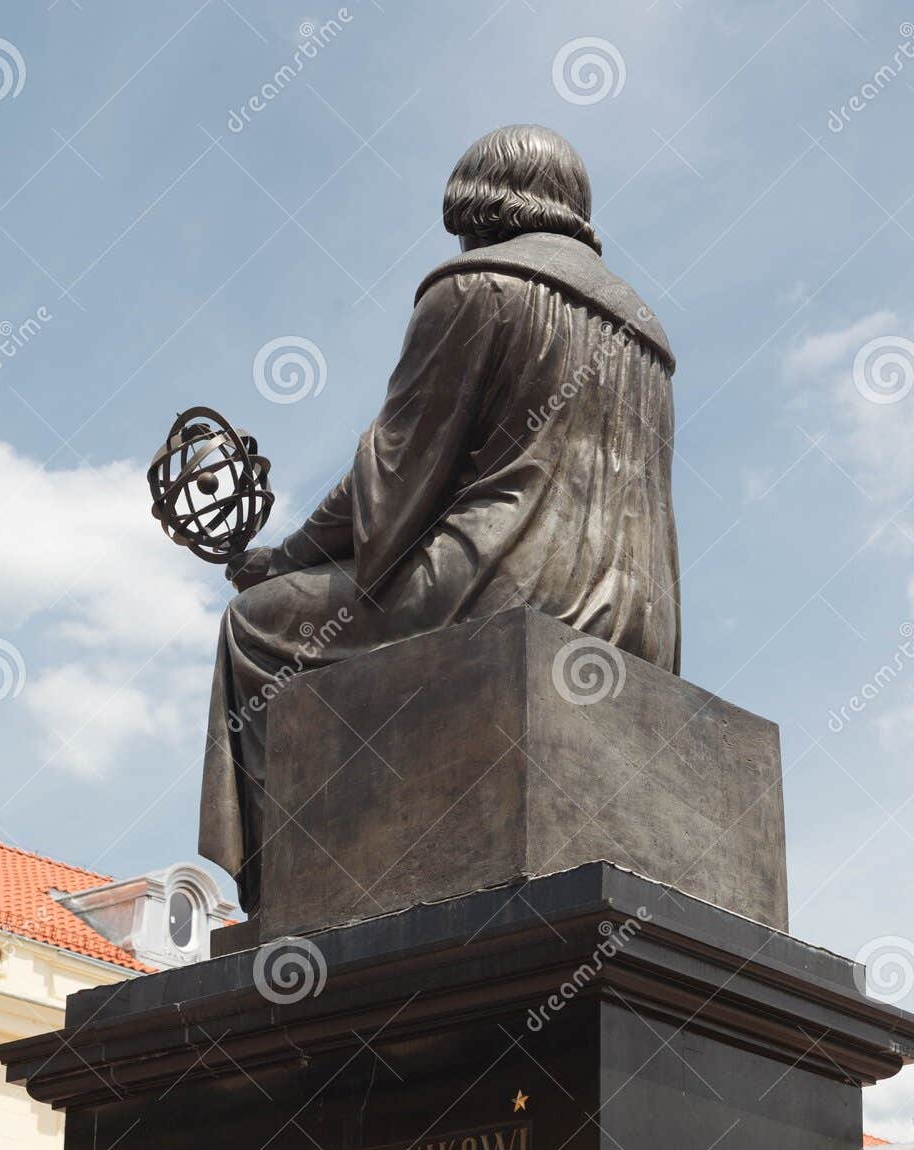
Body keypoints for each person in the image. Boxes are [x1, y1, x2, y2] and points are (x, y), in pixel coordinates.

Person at [200, 124, 680, 914]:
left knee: (256, 626)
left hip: (504, 582)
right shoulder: (647, 336)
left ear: (478, 199)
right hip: (637, 619)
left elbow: (396, 466)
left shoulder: (474, 286)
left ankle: (293, 897)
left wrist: (278, 559)